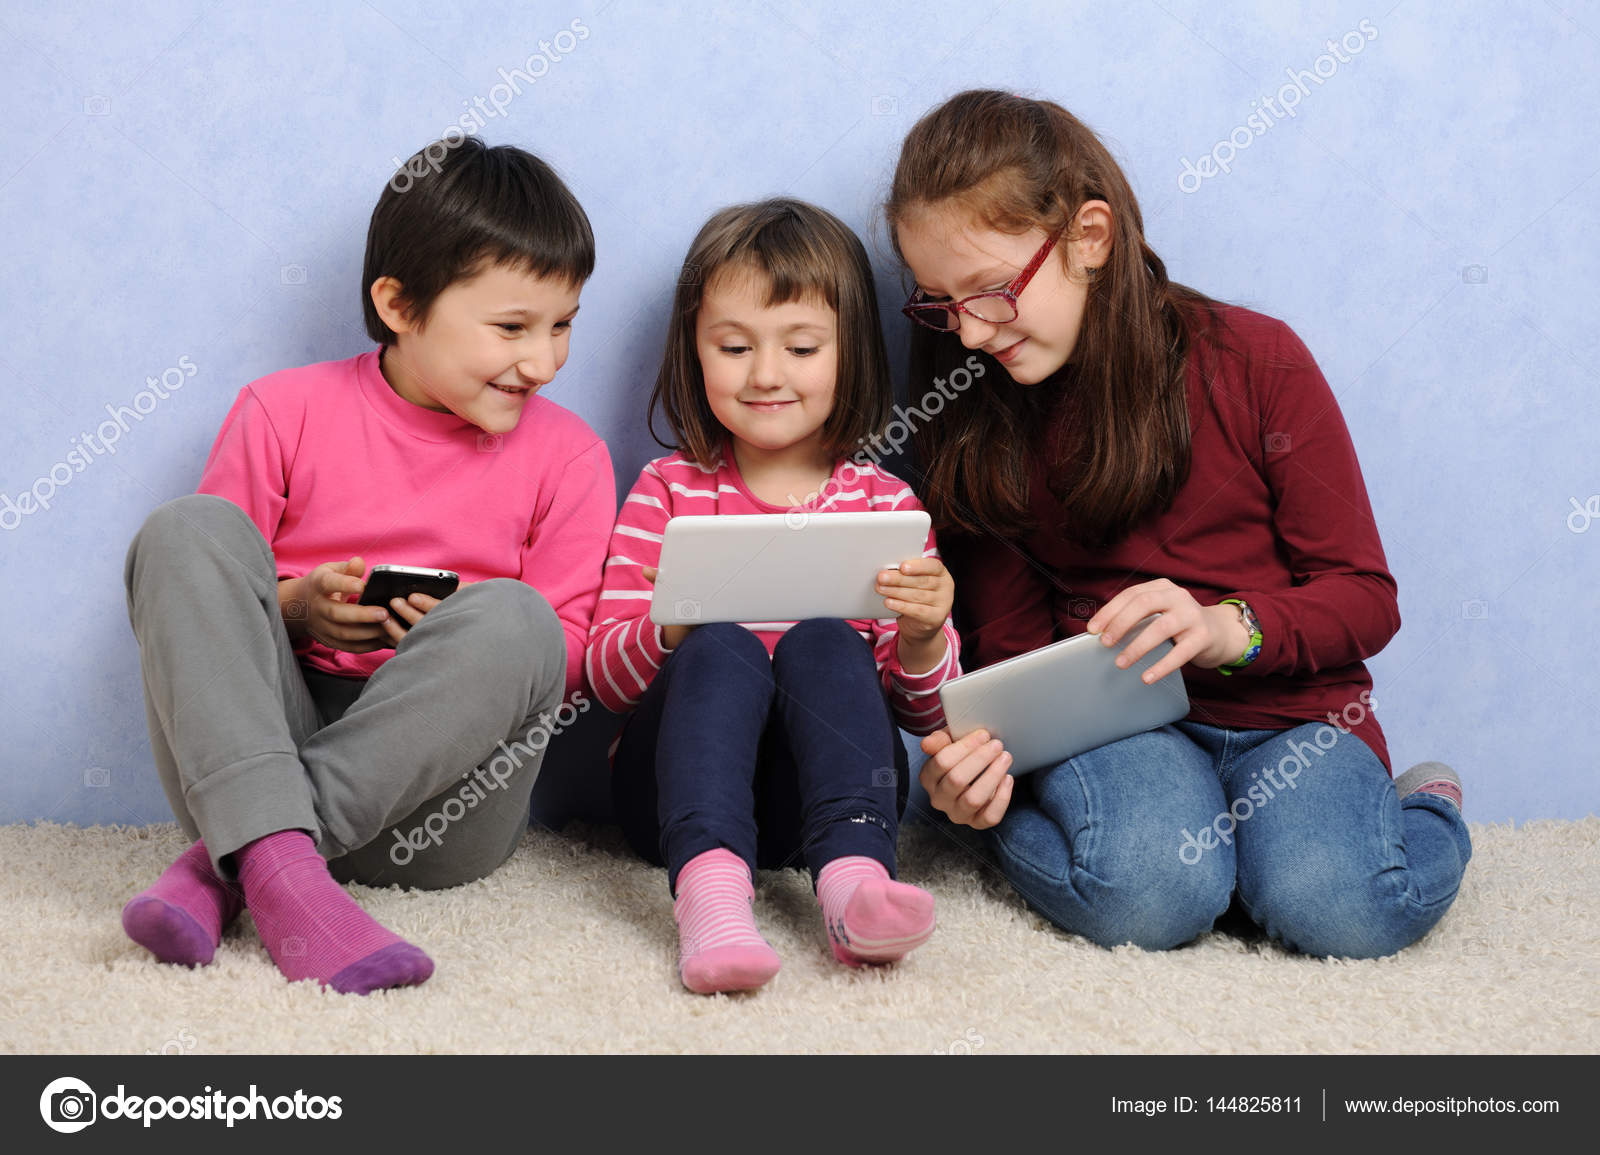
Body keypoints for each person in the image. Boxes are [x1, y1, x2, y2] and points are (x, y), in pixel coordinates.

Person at [885, 90, 1470, 959]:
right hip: (1115, 732)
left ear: (1090, 237)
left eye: (992, 292)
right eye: (941, 303)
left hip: (1294, 723)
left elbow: (1365, 599)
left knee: (1344, 907)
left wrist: (1221, 626)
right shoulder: (974, 410)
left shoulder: (1257, 358)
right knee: (1149, 899)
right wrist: (982, 775)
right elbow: (1008, 650)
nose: (969, 334)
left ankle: (1428, 804)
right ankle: (988, 828)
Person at [119, 138, 615, 993]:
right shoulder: (282, 410)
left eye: (562, 324)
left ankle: (228, 864)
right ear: (397, 304)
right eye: (510, 328)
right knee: (185, 531)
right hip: (267, 743)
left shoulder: (570, 456)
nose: (542, 362)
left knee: (519, 617)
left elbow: (566, 657)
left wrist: (455, 648)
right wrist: (302, 610)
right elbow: (212, 605)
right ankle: (283, 866)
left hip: (444, 814)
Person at [586, 199, 961, 994]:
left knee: (826, 639)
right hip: (669, 800)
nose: (765, 374)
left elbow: (927, 715)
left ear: (849, 353)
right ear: (695, 350)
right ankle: (713, 896)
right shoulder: (668, 490)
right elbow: (605, 682)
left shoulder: (888, 506)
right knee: (720, 641)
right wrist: (673, 624)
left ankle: (855, 882)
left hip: (814, 806)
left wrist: (925, 637)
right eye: (732, 346)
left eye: (800, 346)